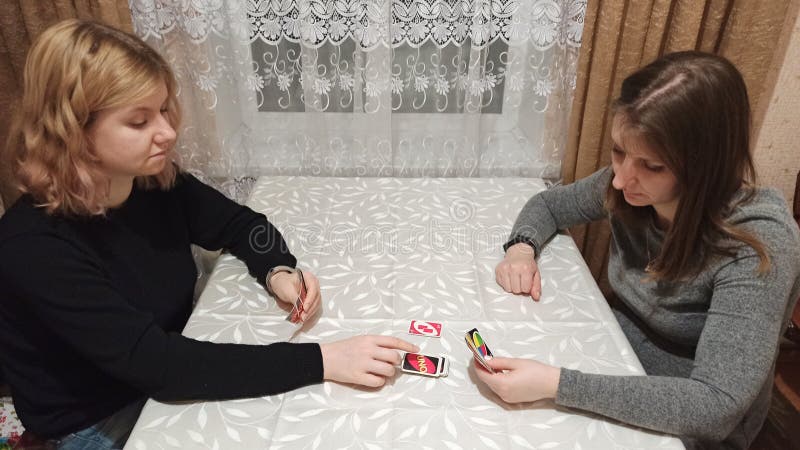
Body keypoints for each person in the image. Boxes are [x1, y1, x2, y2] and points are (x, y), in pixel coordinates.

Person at [0, 19, 417, 449]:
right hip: (95, 417)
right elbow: (160, 367)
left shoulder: (148, 179)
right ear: (75, 131)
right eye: (139, 121)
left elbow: (241, 225)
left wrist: (277, 269)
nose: (166, 132)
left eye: (163, 111)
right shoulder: (34, 248)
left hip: (169, 362)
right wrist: (324, 359)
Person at [480, 51, 800, 449]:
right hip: (611, 351)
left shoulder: (757, 244)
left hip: (688, 413)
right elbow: (549, 204)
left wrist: (555, 384)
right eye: (619, 152)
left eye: (652, 165)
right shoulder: (629, 185)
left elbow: (716, 407)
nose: (620, 180)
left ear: (706, 167)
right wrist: (521, 250)